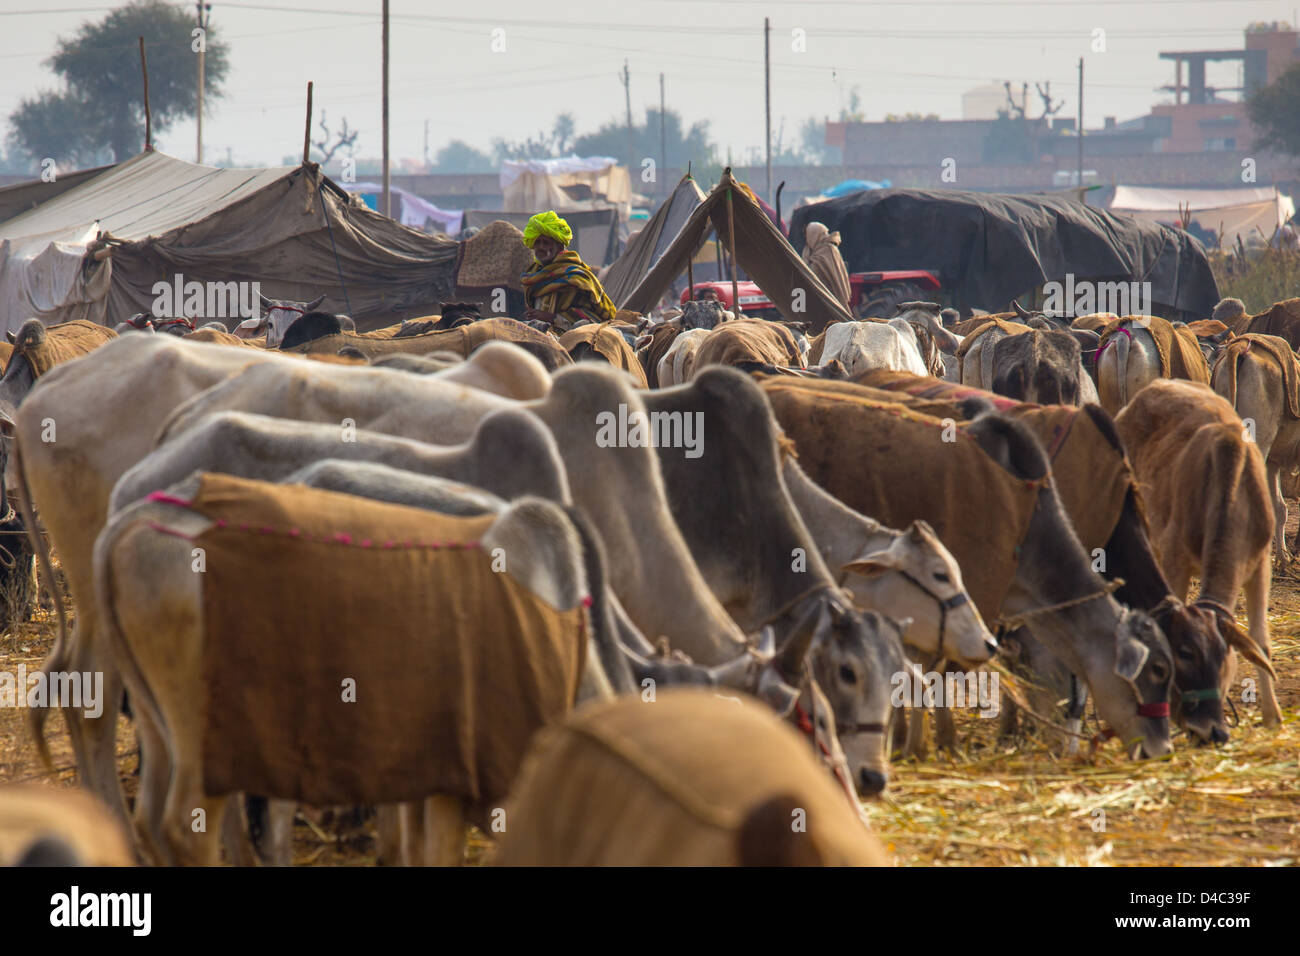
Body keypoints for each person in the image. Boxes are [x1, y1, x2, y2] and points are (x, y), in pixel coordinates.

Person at [520, 210, 617, 332]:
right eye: (537, 242)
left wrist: (551, 318)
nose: (540, 247)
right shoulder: (532, 276)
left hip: (571, 340)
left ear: (559, 247)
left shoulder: (576, 277)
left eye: (546, 243)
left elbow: (594, 317)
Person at [801, 221, 853, 312]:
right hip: (813, 300)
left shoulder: (828, 250)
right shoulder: (810, 250)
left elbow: (815, 273)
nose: (806, 238)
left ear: (814, 235)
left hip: (828, 299)